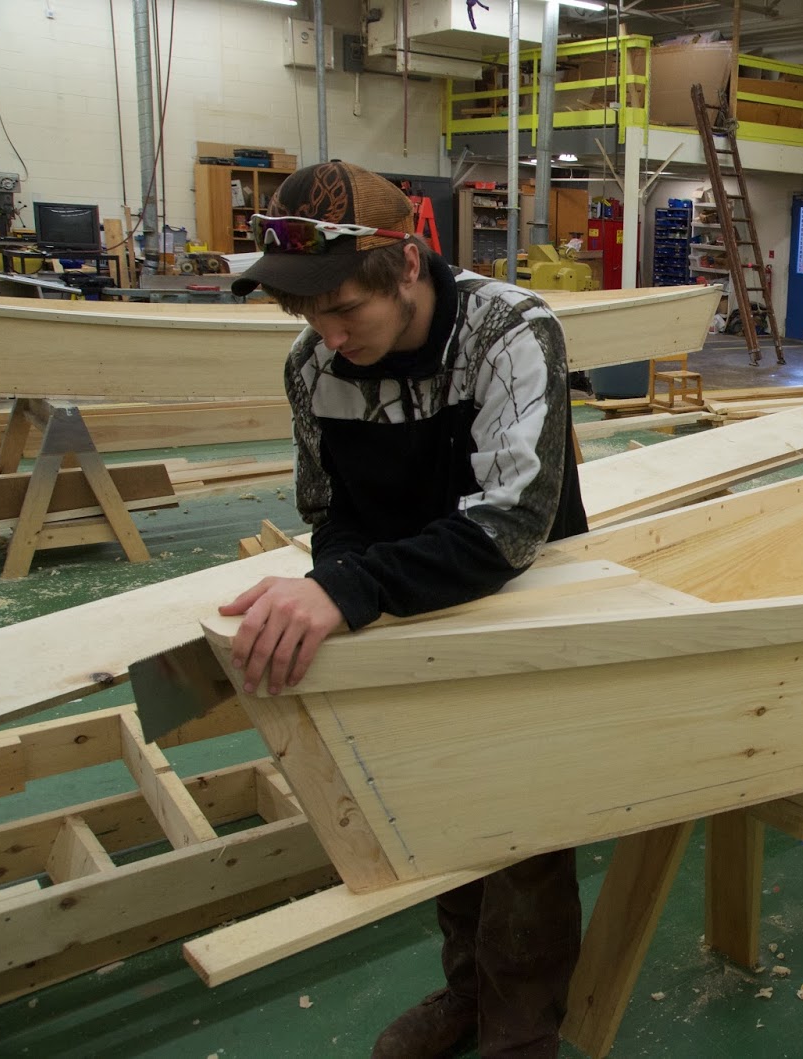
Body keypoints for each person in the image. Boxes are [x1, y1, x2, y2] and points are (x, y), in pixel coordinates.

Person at [221, 160, 586, 1058]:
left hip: (522, 604)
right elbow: (334, 511)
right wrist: (329, 585)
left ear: (408, 266)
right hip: (408, 609)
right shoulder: (314, 364)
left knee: (524, 825)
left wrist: (348, 590)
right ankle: (467, 994)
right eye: (308, 314)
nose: (328, 334)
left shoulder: (511, 331)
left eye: (345, 309)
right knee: (432, 802)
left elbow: (510, 526)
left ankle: (519, 1033)